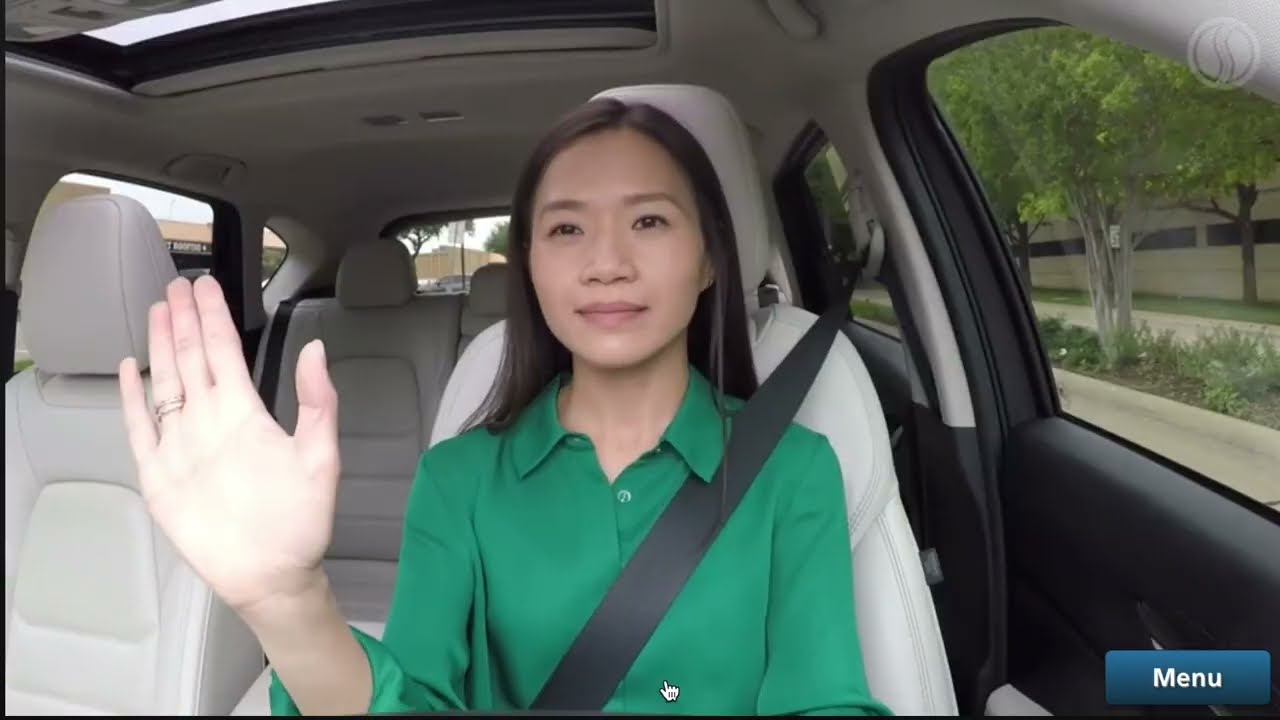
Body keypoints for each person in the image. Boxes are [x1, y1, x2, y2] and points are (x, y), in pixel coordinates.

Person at [117, 96, 892, 717]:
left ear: (709, 259)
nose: (607, 263)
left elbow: (824, 699)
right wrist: (290, 604)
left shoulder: (794, 473)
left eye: (649, 221)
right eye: (567, 228)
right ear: (530, 266)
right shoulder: (458, 482)